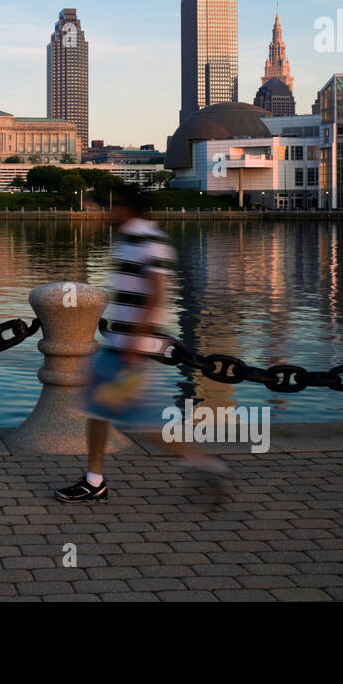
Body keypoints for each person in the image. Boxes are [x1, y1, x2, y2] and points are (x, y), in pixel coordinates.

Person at [55, 185, 228, 503]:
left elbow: (157, 291)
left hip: (132, 349)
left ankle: (205, 463)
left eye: (114, 207)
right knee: (98, 409)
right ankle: (94, 481)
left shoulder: (147, 240)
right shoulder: (130, 239)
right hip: (123, 345)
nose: (108, 212)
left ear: (128, 209)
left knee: (140, 422)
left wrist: (135, 342)